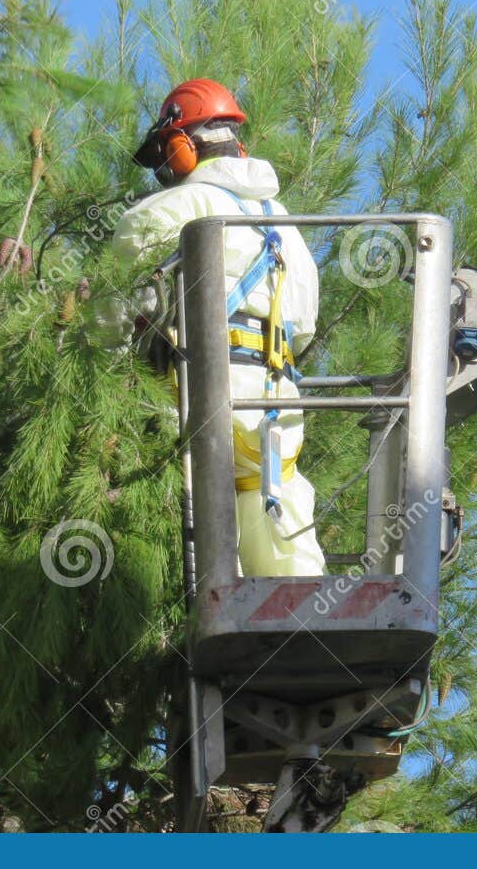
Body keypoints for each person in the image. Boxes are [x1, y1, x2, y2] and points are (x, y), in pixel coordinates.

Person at [113, 78, 325, 577]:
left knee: (200, 529)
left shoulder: (171, 210)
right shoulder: (286, 226)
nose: (166, 171)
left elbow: (113, 314)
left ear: (186, 145)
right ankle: (303, 624)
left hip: (197, 393)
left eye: (166, 155)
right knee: (278, 510)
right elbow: (305, 327)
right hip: (277, 401)